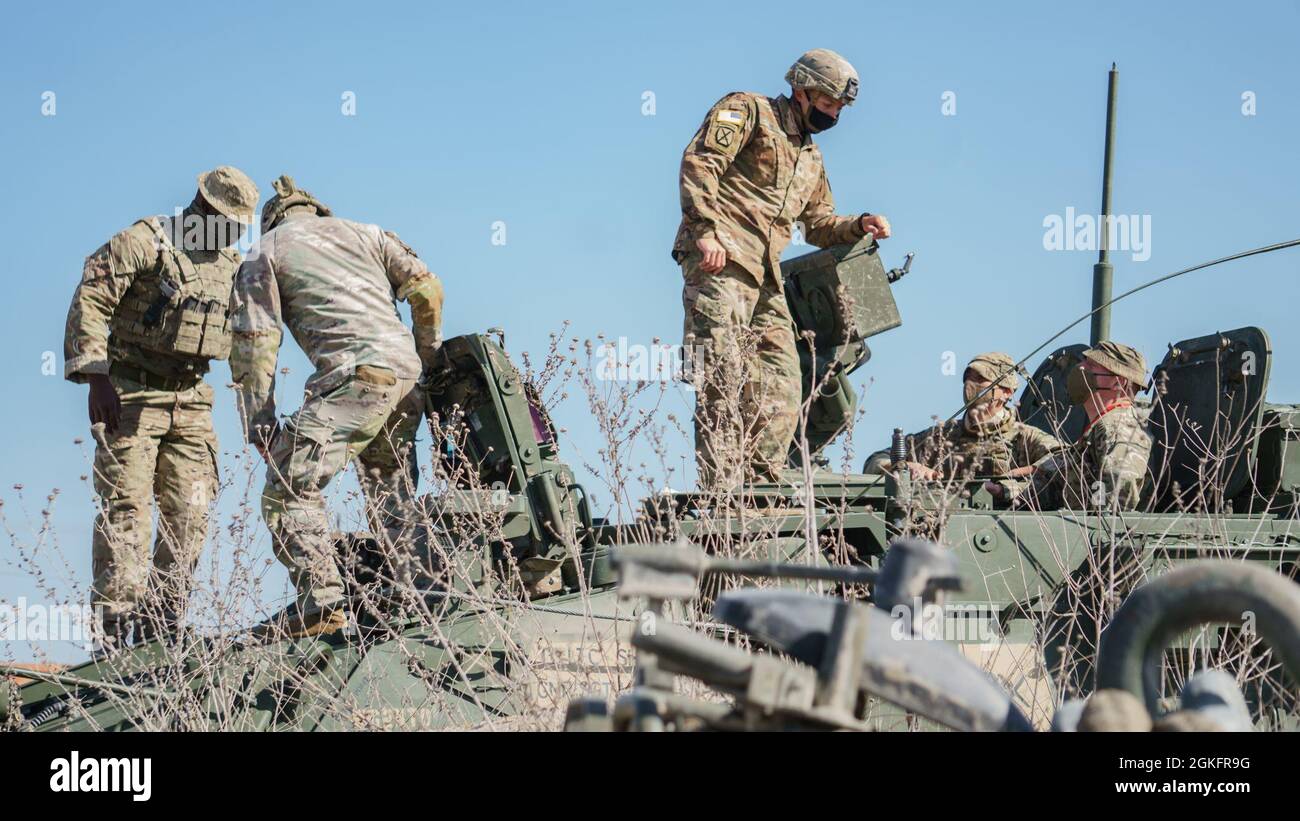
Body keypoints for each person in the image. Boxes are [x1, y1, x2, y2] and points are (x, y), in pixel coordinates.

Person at [229, 175, 444, 636]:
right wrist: (427, 360)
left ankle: (321, 606)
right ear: (320, 212)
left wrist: (260, 422)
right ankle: (429, 601)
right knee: (391, 493)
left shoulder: (265, 250)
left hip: (356, 380)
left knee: (288, 485)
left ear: (272, 219)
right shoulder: (367, 232)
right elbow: (427, 290)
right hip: (404, 381)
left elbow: (255, 340)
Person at [673, 48, 891, 489]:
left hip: (766, 279)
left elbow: (818, 224)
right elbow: (701, 163)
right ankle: (722, 493)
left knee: (785, 383)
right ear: (802, 89)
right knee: (722, 377)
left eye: (839, 109)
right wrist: (705, 230)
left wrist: (858, 225)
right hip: (722, 261)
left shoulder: (811, 157)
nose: (833, 115)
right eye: (827, 103)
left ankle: (760, 485)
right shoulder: (748, 110)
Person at [63, 166, 259, 647]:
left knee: (191, 514)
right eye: (226, 219)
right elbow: (91, 298)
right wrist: (96, 378)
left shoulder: (232, 266)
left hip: (191, 400)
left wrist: (258, 407)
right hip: (129, 393)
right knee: (127, 508)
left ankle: (161, 625)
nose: (231, 230)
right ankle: (115, 629)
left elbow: (245, 338)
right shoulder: (143, 241)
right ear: (201, 207)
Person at [864, 352, 1064, 502]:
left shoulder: (1024, 438)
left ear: (1006, 392)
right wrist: (902, 467)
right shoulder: (942, 436)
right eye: (967, 378)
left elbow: (1066, 465)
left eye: (980, 380)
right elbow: (874, 461)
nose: (970, 384)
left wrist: (1005, 489)